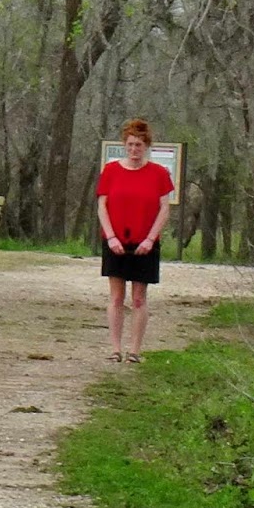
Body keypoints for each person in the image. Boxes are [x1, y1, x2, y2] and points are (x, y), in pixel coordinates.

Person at [96, 118, 174, 364]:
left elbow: (164, 209)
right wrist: (110, 237)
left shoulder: (159, 174)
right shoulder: (111, 171)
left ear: (146, 146)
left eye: (138, 145)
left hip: (144, 243)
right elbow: (102, 206)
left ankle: (135, 351)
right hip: (116, 241)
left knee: (139, 297)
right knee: (116, 297)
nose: (134, 150)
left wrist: (151, 239)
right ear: (124, 145)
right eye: (130, 145)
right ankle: (115, 348)